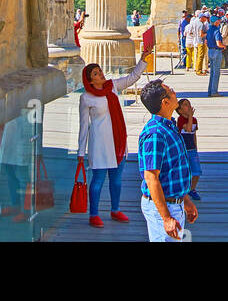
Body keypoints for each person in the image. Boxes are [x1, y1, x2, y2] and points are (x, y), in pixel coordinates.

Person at [76, 49, 150, 227]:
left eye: (100, 71)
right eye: (95, 73)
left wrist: (143, 59)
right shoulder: (86, 98)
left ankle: (115, 210)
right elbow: (84, 126)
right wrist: (80, 151)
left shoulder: (113, 86)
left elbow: (132, 78)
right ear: (90, 80)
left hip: (118, 142)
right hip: (100, 144)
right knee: (98, 181)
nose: (100, 74)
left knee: (116, 181)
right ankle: (94, 214)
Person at [137, 78, 197, 242]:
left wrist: (185, 199)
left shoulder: (168, 126)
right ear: (165, 102)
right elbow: (151, 177)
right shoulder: (156, 134)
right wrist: (165, 218)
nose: (175, 92)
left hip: (174, 204)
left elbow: (171, 171)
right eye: (171, 91)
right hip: (164, 208)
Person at [175, 97, 202, 201]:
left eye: (189, 104)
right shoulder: (181, 120)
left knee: (197, 172)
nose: (189, 106)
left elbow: (193, 133)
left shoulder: (194, 120)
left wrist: (196, 146)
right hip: (183, 150)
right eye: (185, 105)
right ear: (180, 110)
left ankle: (192, 189)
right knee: (185, 171)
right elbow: (188, 128)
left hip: (192, 149)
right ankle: (183, 190)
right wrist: (190, 116)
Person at [204, 12, 224, 97]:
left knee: (212, 72)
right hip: (216, 51)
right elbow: (218, 43)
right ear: (216, 22)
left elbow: (205, 42)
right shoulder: (216, 30)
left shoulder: (208, 30)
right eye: (218, 21)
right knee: (216, 72)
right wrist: (224, 46)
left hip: (210, 50)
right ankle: (214, 91)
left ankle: (210, 90)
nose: (219, 22)